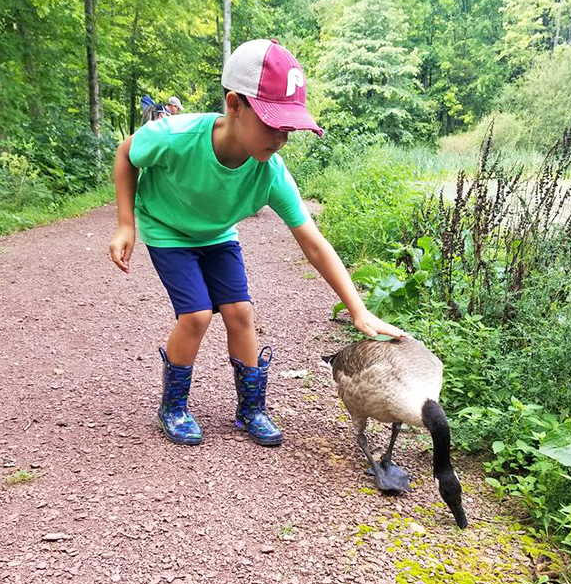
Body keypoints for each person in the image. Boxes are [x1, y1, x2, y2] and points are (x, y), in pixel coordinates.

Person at [110, 38, 403, 448]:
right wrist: (126, 225)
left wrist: (358, 309)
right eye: (271, 123)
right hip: (167, 230)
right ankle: (173, 406)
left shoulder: (270, 173)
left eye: (288, 129)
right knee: (196, 315)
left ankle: (251, 408)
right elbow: (126, 154)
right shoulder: (176, 135)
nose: (280, 138)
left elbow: (313, 243)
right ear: (235, 104)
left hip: (217, 235)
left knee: (240, 312)